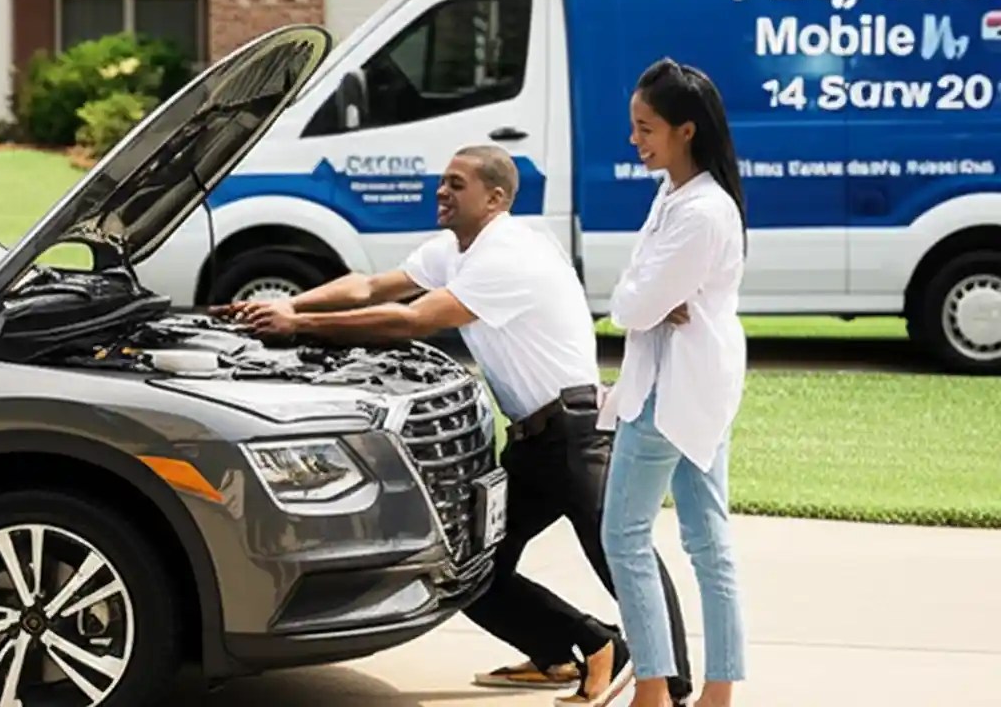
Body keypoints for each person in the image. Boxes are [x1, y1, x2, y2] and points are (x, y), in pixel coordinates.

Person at [213, 144, 694, 706]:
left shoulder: (508, 254)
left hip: (577, 434)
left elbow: (413, 318)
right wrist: (293, 305)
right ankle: (578, 646)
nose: (442, 191)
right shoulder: (455, 249)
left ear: (495, 198)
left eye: (456, 184)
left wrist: (300, 325)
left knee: (622, 554)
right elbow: (370, 287)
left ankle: (674, 686)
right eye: (443, 181)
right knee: (469, 568)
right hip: (532, 441)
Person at [597, 57, 749, 707]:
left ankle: (653, 691)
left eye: (646, 127)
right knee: (707, 542)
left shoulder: (700, 213)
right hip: (690, 387)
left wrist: (645, 295)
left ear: (686, 130)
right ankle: (713, 695)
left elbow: (628, 307)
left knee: (623, 534)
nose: (635, 138)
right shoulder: (677, 196)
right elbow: (635, 291)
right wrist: (648, 293)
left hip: (671, 393)